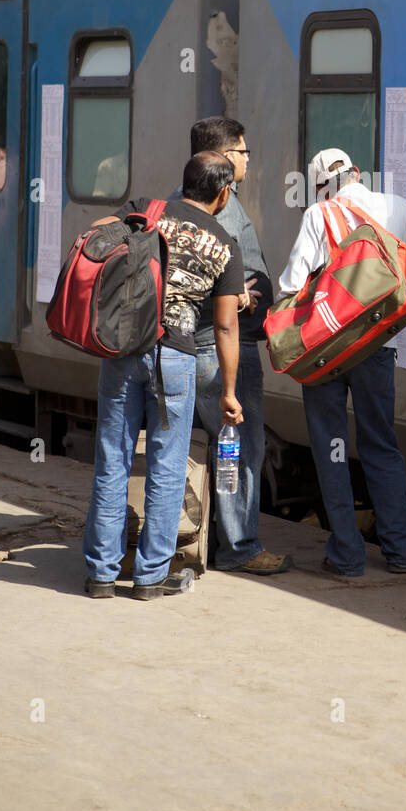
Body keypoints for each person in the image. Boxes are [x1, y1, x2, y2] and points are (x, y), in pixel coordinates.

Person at [279, 147, 406, 577]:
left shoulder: (318, 215)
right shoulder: (396, 207)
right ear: (357, 173)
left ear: (318, 186)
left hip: (326, 352)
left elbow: (291, 285)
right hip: (376, 346)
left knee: (332, 448)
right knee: (381, 443)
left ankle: (346, 556)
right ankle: (402, 552)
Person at [83, 152, 245, 600]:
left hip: (124, 349)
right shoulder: (226, 245)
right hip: (175, 355)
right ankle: (150, 577)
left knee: (112, 457)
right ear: (223, 193)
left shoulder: (146, 210)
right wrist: (229, 392)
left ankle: (101, 574)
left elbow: (96, 234)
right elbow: (226, 327)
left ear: (185, 182)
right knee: (167, 466)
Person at [170, 117, 291, 575]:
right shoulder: (219, 207)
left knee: (193, 448)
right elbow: (210, 281)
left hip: (191, 348)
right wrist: (239, 295)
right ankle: (240, 547)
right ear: (222, 159)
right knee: (237, 450)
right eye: (242, 152)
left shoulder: (182, 200)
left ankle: (187, 543)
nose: (247, 160)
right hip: (220, 350)